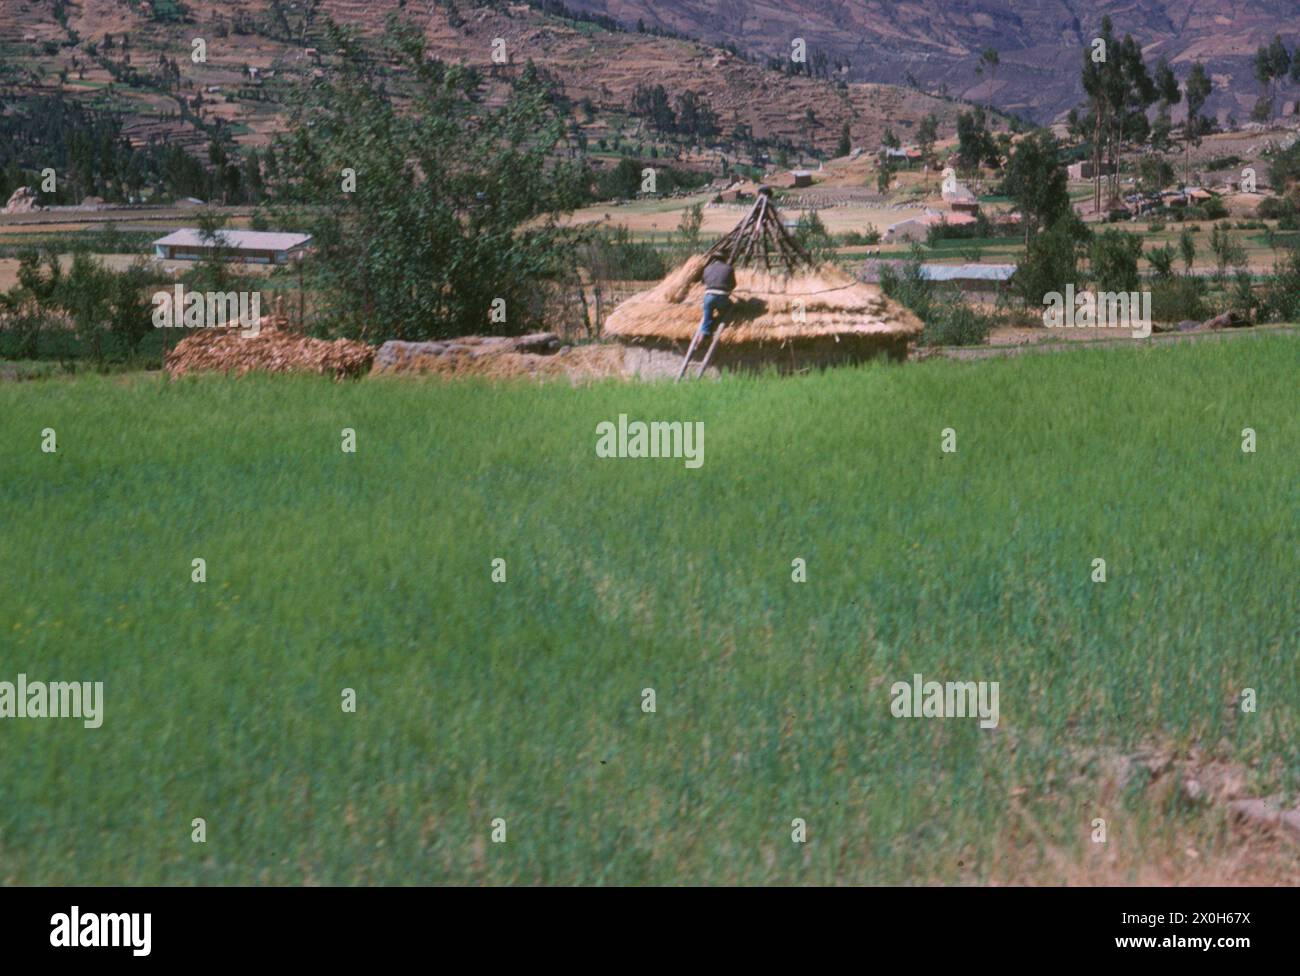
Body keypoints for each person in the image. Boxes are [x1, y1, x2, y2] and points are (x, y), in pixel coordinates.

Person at [698, 258, 736, 340]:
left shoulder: (707, 268)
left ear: (714, 260)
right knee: (730, 306)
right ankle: (720, 321)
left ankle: (704, 332)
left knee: (708, 311)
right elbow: (733, 284)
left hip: (708, 296)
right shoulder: (729, 268)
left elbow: (704, 282)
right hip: (722, 297)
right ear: (724, 259)